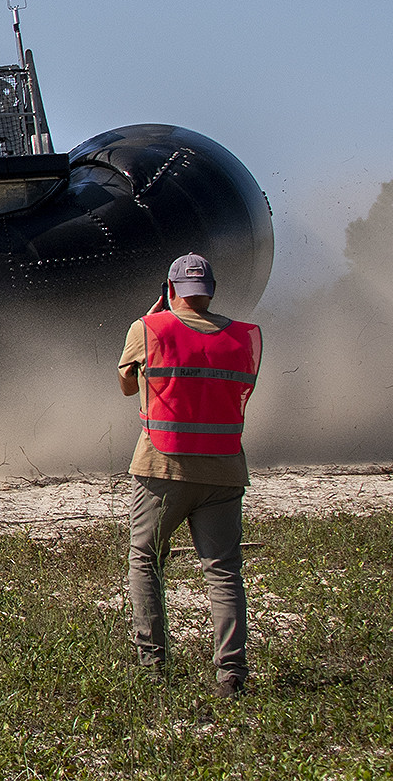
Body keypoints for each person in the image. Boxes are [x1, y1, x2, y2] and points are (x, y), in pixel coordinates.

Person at [117, 251, 262, 695]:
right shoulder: (243, 338)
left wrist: (149, 322)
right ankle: (231, 673)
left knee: (145, 560)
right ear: (211, 291)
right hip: (224, 469)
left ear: (170, 289)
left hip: (163, 467)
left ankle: (153, 667)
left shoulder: (148, 328)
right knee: (223, 570)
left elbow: (127, 386)